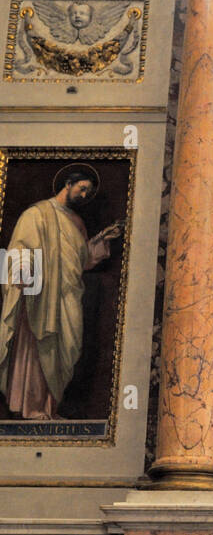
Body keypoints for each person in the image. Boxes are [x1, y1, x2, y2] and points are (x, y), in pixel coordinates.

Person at [0, 166, 120, 420]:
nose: (85, 195)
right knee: (37, 346)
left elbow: (82, 260)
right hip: (41, 296)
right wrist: (22, 270)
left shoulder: (77, 222)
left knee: (68, 346)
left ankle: (49, 407)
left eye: (89, 192)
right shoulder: (37, 214)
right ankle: (32, 408)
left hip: (68, 296)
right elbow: (20, 249)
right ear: (69, 183)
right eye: (83, 188)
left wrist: (101, 239)